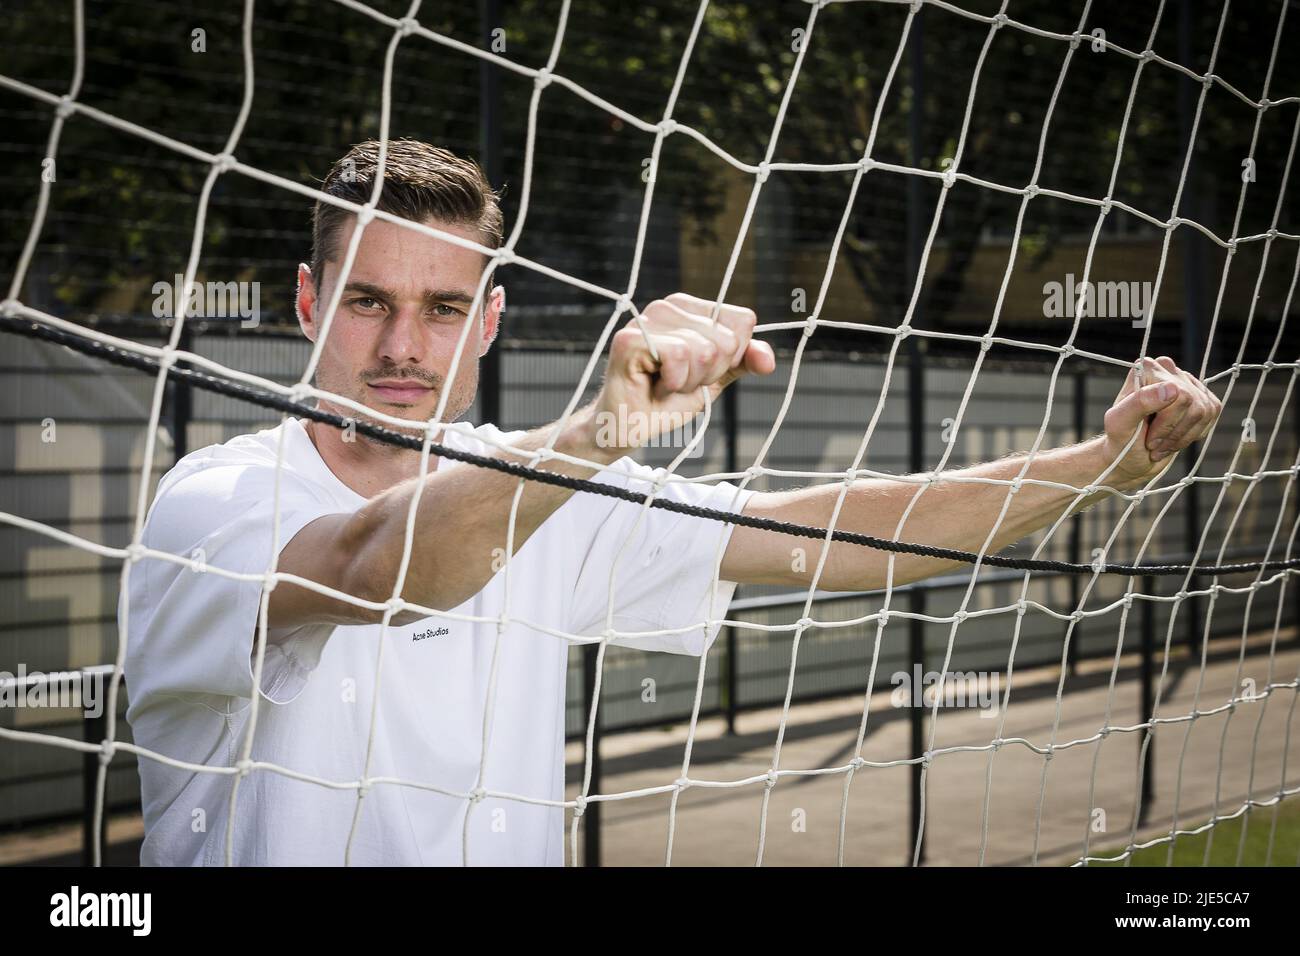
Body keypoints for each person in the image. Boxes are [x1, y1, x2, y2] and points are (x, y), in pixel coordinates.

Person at [122, 138, 1222, 866]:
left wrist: (1099, 467)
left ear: (491, 321)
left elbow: (828, 530)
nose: (405, 346)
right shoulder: (211, 500)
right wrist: (600, 432)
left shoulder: (536, 488)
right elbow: (378, 565)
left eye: (443, 307)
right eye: (367, 300)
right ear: (309, 301)